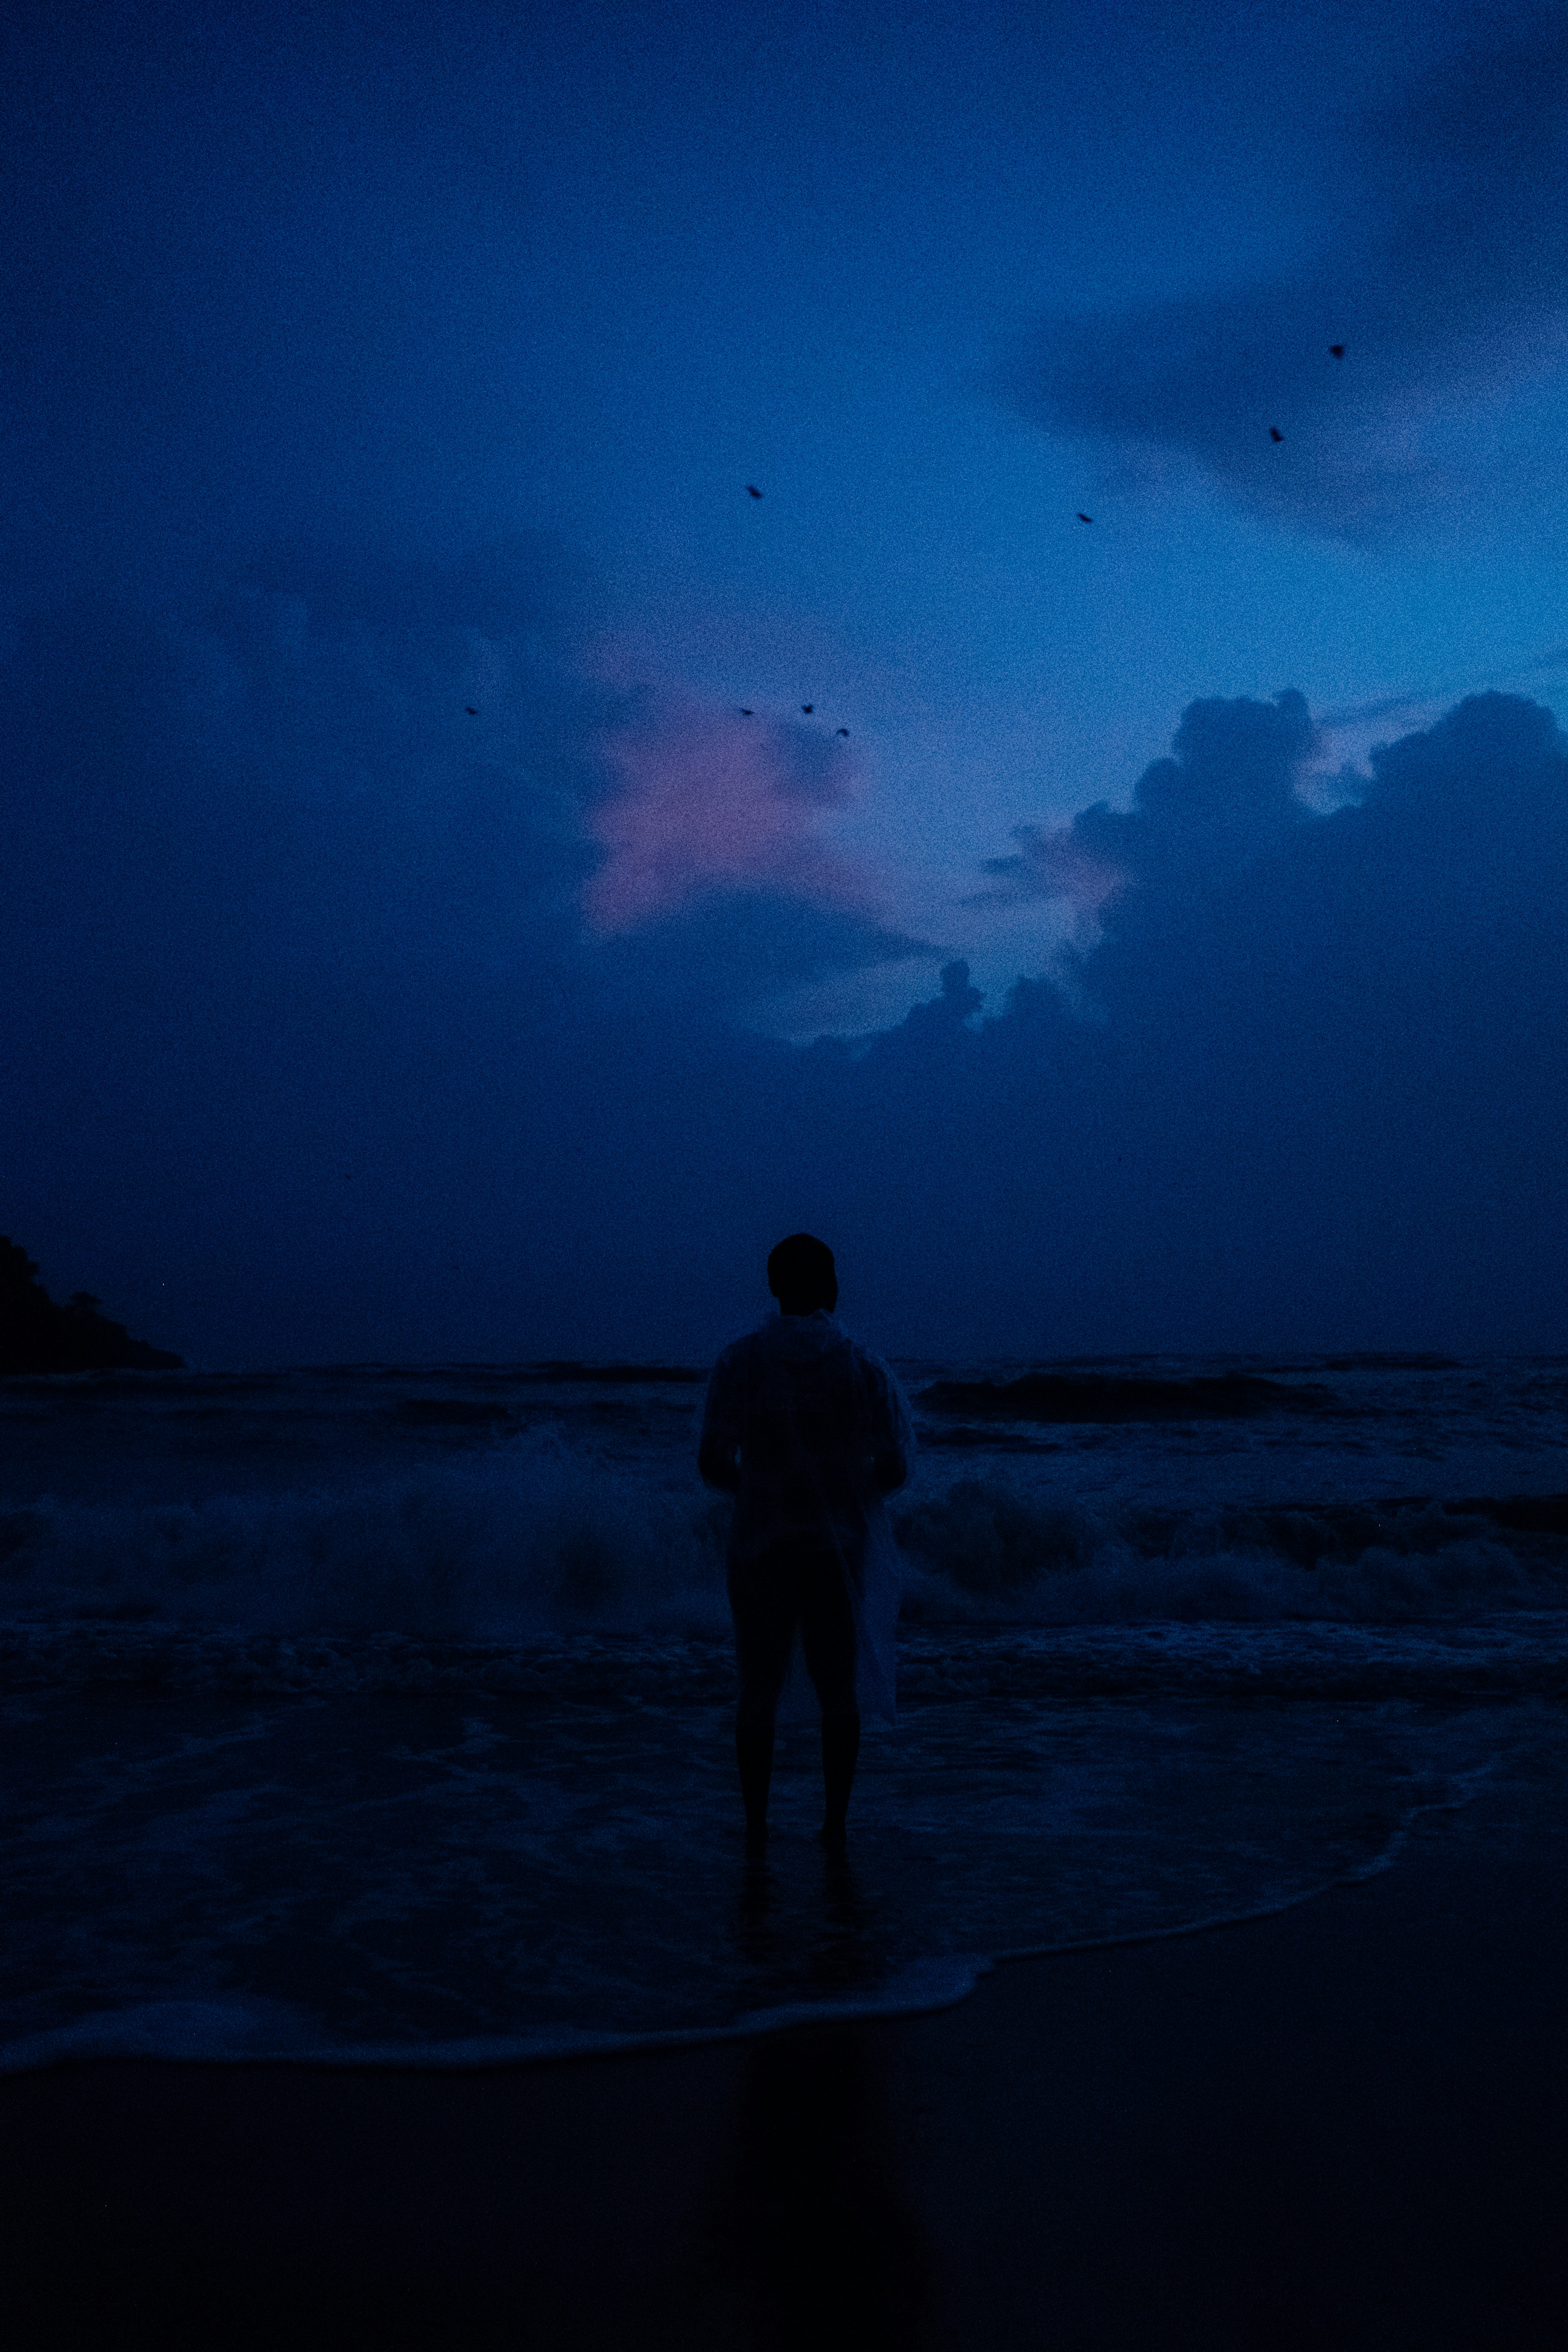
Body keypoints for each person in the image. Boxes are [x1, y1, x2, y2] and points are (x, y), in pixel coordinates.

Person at [699, 1234, 915, 1859]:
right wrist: (844, 1495)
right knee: (836, 1688)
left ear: (773, 1285)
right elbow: (895, 1467)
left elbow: (712, 1461)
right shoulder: (860, 1366)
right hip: (835, 1545)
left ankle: (757, 1825)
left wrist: (761, 1491)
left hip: (761, 1545)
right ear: (828, 1286)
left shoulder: (738, 1362)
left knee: (757, 1685)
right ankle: (834, 1825)